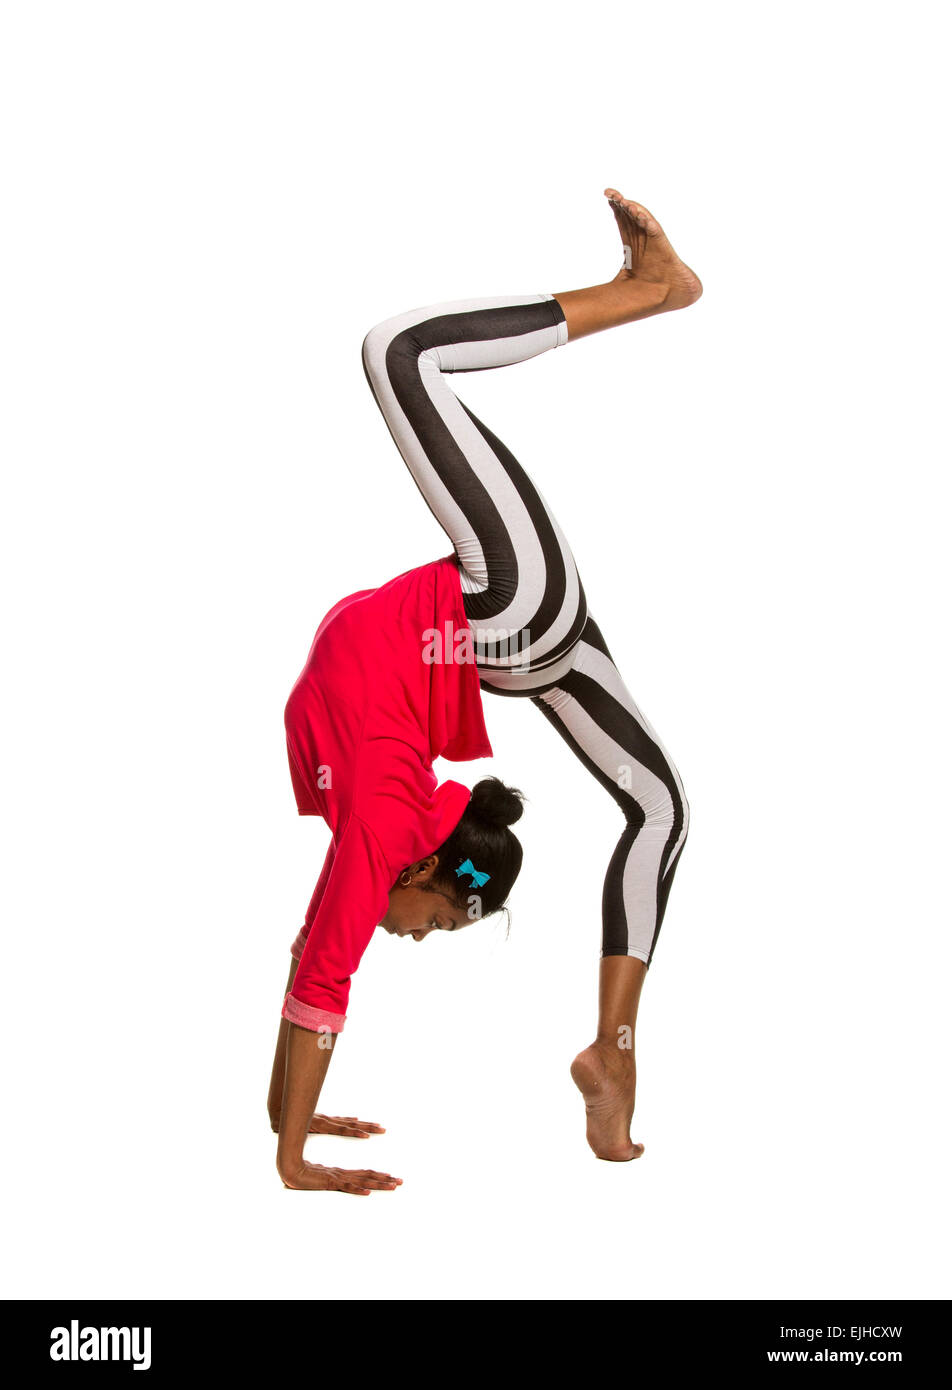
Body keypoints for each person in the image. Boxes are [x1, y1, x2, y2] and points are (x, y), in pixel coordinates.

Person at [268, 189, 702, 1193]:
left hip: (505, 623)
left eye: (429, 930)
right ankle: (644, 291)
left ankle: (614, 1046)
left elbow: (311, 975)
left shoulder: (376, 825)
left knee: (397, 352)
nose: (414, 937)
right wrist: (290, 1142)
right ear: (429, 867)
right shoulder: (386, 817)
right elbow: (316, 977)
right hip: (501, 620)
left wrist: (290, 1141)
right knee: (398, 355)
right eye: (439, 925)